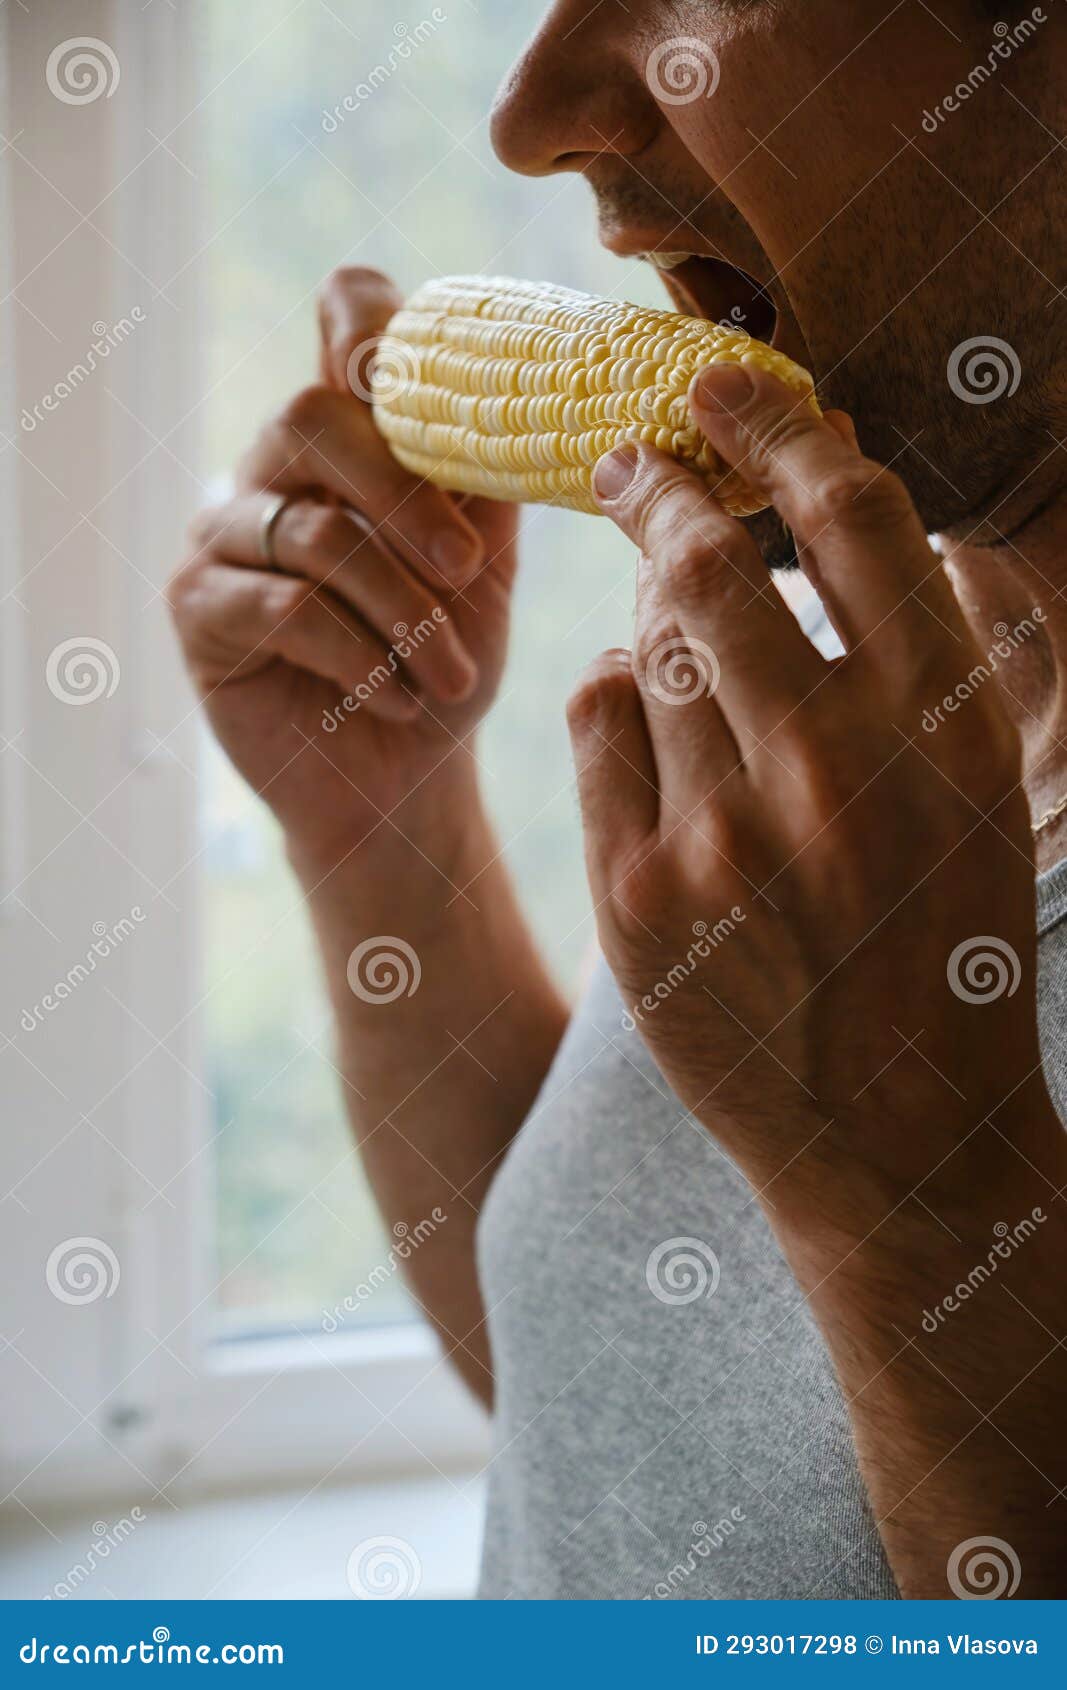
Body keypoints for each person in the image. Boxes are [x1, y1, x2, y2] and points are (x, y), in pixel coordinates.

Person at [169, 0, 1067, 1599]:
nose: (528, 110)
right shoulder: (864, 720)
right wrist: (381, 833)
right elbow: (616, 1412)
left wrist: (925, 1209)